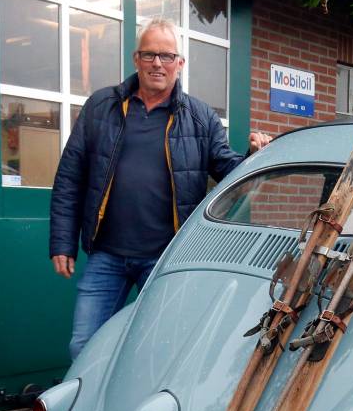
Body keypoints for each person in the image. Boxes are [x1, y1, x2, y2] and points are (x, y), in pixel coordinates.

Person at [50, 18, 272, 360]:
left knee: (160, 349)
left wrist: (253, 157)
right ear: (136, 59)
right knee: (84, 346)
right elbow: (70, 176)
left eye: (167, 56)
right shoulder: (101, 107)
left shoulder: (200, 118)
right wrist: (62, 242)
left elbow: (229, 172)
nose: (158, 63)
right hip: (106, 254)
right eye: (150, 54)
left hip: (164, 257)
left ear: (180, 64)